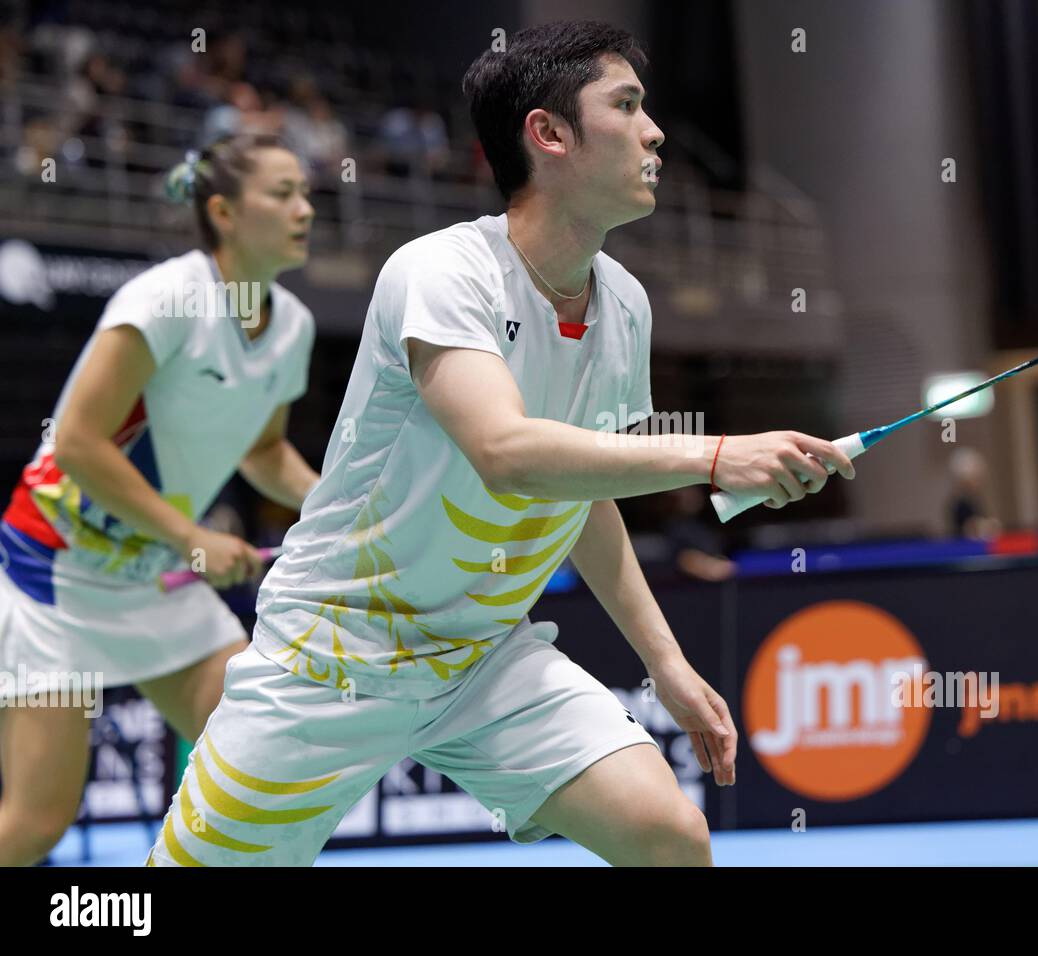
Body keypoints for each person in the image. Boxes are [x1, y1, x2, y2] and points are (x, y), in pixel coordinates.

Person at [146, 20, 854, 869]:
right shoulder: (440, 272)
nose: (654, 129)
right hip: (335, 649)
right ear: (548, 134)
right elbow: (507, 452)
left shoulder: (624, 306)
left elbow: (579, 490)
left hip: (483, 657)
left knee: (670, 838)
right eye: (625, 106)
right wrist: (712, 455)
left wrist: (665, 664)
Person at [0, 132, 319, 866]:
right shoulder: (169, 297)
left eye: (306, 193)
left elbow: (264, 451)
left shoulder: (293, 327)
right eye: (282, 194)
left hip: (151, 577)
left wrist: (336, 506)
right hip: (54, 574)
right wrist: (192, 539)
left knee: (256, 759)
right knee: (37, 820)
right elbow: (79, 441)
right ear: (225, 212)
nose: (304, 209)